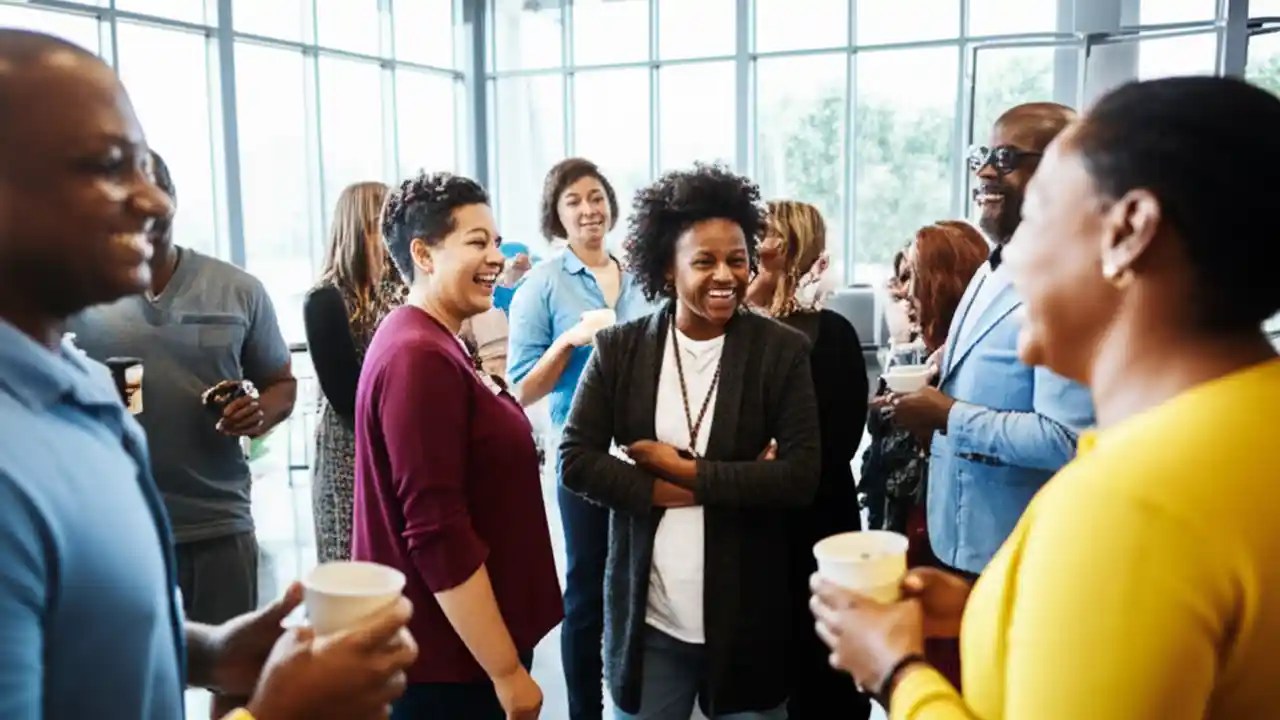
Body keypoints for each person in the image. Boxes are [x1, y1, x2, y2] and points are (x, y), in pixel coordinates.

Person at [812, 75, 1280, 719]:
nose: (1012, 258)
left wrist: (898, 674)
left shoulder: (1127, 503)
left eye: (1041, 216)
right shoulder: (1251, 419)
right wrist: (995, 611)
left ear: (1129, 231)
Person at [0, 29, 415, 720]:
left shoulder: (69, 391)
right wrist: (275, 713)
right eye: (108, 166)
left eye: (146, 167)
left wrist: (212, 650)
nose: (155, 202)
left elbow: (80, 622)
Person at [559, 164, 822, 720]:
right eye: (703, 261)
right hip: (650, 620)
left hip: (748, 621)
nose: (725, 275)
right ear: (666, 268)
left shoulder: (781, 351)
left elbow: (800, 476)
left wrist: (684, 471)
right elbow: (575, 461)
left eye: (736, 258)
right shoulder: (621, 350)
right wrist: (727, 481)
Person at [70, 146, 297, 711]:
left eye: (152, 206)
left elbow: (280, 381)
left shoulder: (237, 289)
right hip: (117, 526)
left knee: (233, 673)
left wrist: (258, 412)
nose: (141, 224)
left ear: (170, 201)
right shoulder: (80, 298)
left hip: (218, 519)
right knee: (141, 679)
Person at [351, 171, 562, 719]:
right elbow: (437, 531)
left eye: (494, 240)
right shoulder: (417, 357)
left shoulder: (437, 340)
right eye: (477, 242)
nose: (496, 256)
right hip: (450, 668)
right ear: (423, 254)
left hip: (460, 655)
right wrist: (506, 672)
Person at [887, 102, 1094, 576]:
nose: (982, 170)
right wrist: (940, 378)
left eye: (1006, 158)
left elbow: (1068, 440)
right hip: (959, 533)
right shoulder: (991, 266)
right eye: (983, 154)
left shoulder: (1070, 283)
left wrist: (950, 415)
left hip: (1021, 550)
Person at [507, 156, 653, 720]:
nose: (589, 210)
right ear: (556, 215)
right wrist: (568, 341)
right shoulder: (542, 285)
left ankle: (634, 703)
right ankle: (585, 713)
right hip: (583, 456)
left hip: (647, 451)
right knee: (588, 589)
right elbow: (520, 389)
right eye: (574, 202)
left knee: (643, 583)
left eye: (596, 197)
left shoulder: (642, 274)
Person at [746, 199, 870, 720]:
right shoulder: (737, 329)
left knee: (819, 663)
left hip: (817, 521)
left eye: (762, 236)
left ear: (787, 246)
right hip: (760, 520)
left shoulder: (833, 334)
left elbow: (839, 443)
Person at [303, 180, 403, 563]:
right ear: (359, 229)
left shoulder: (404, 292)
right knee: (352, 571)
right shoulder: (326, 300)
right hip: (350, 459)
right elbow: (346, 397)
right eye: (385, 224)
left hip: (400, 455)